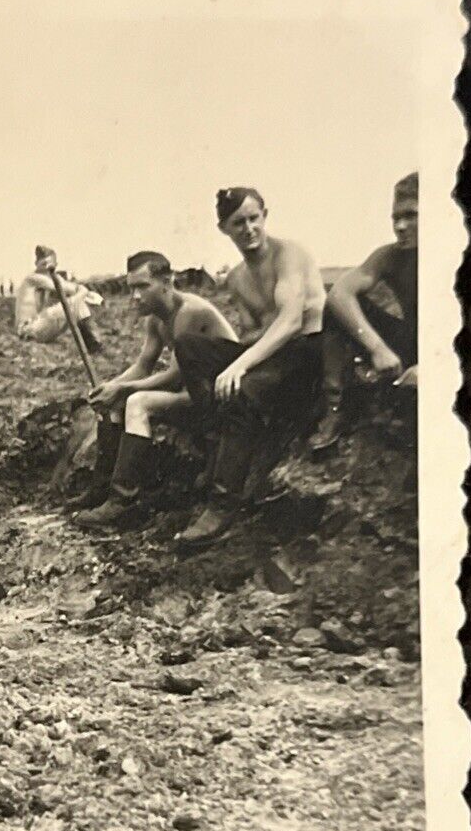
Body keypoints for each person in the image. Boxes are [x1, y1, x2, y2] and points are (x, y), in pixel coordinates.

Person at [169, 187, 326, 550]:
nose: (249, 228)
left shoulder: (289, 254)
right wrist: (242, 356)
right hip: (271, 352)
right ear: (224, 228)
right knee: (190, 347)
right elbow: (254, 331)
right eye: (238, 222)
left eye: (255, 218)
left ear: (265, 216)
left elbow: (289, 323)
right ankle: (214, 440)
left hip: (306, 352)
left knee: (243, 386)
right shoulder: (238, 277)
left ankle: (221, 506)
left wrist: (240, 364)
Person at [70, 252, 238, 527]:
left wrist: (123, 389)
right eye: (131, 287)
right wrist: (111, 387)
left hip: (218, 398)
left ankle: (122, 501)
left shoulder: (189, 312)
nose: (135, 296)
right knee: (115, 403)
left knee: (138, 403)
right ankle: (101, 489)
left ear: (166, 282)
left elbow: (173, 377)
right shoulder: (156, 318)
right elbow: (143, 364)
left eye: (142, 286)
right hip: (193, 392)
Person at [311, 172, 419, 451]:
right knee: (335, 309)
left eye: (411, 215)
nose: (400, 226)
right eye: (395, 218)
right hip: (413, 340)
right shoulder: (392, 256)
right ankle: (336, 408)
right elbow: (340, 293)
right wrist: (378, 347)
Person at [15, 245, 103, 351]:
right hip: (28, 330)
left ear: (56, 265)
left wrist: (83, 293)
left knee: (76, 302)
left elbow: (68, 287)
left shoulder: (50, 278)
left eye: (50, 265)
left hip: (36, 327)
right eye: (43, 264)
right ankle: (93, 344)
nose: (47, 268)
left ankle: (94, 343)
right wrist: (85, 293)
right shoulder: (34, 278)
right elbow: (70, 289)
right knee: (77, 302)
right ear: (36, 264)